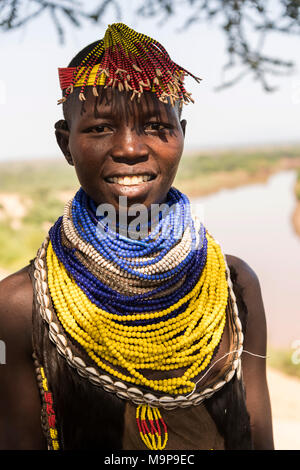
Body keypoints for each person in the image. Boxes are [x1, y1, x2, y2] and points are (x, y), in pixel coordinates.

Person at [0, 23, 274, 450]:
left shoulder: (234, 285)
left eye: (154, 125)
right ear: (65, 143)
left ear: (182, 135)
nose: (130, 148)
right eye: (99, 128)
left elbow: (260, 440)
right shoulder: (20, 306)